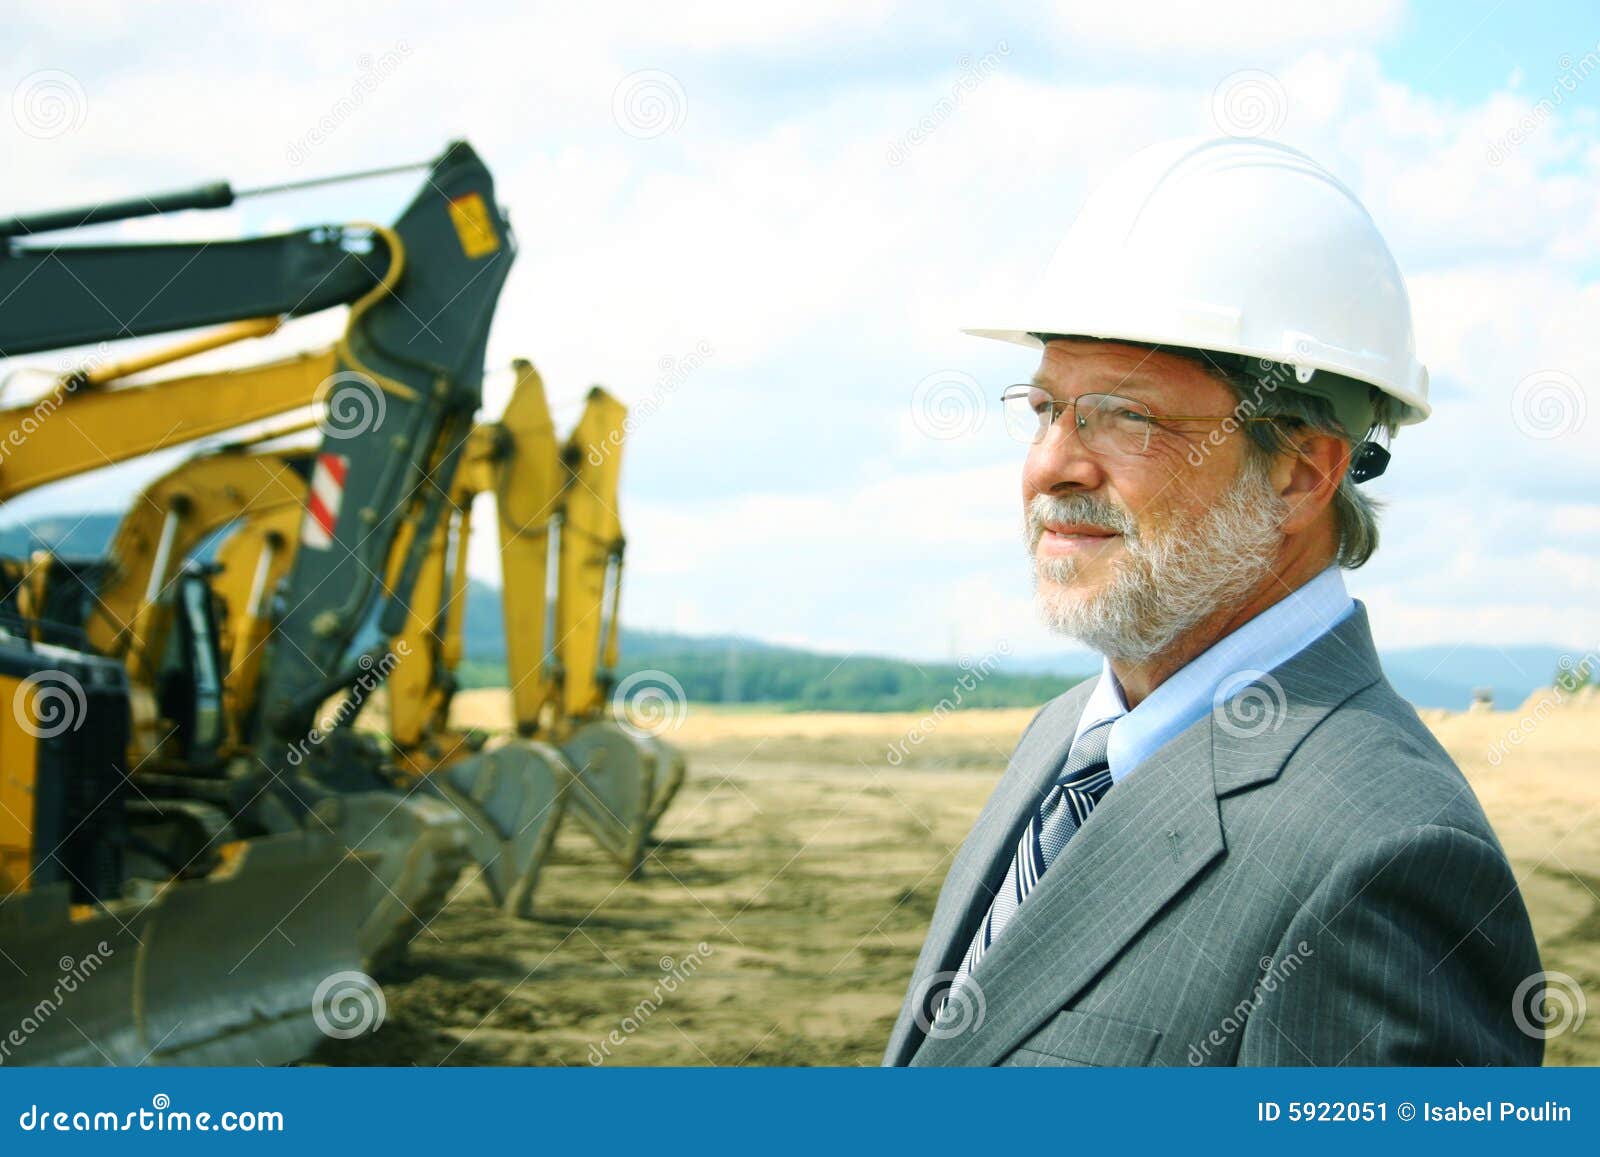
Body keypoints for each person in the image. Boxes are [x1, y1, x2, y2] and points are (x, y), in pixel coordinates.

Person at [883, 137, 1543, 1067]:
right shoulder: (1066, 740)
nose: (1052, 466)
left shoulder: (1383, 856)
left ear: (1300, 471)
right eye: (1045, 410)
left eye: (1128, 416)